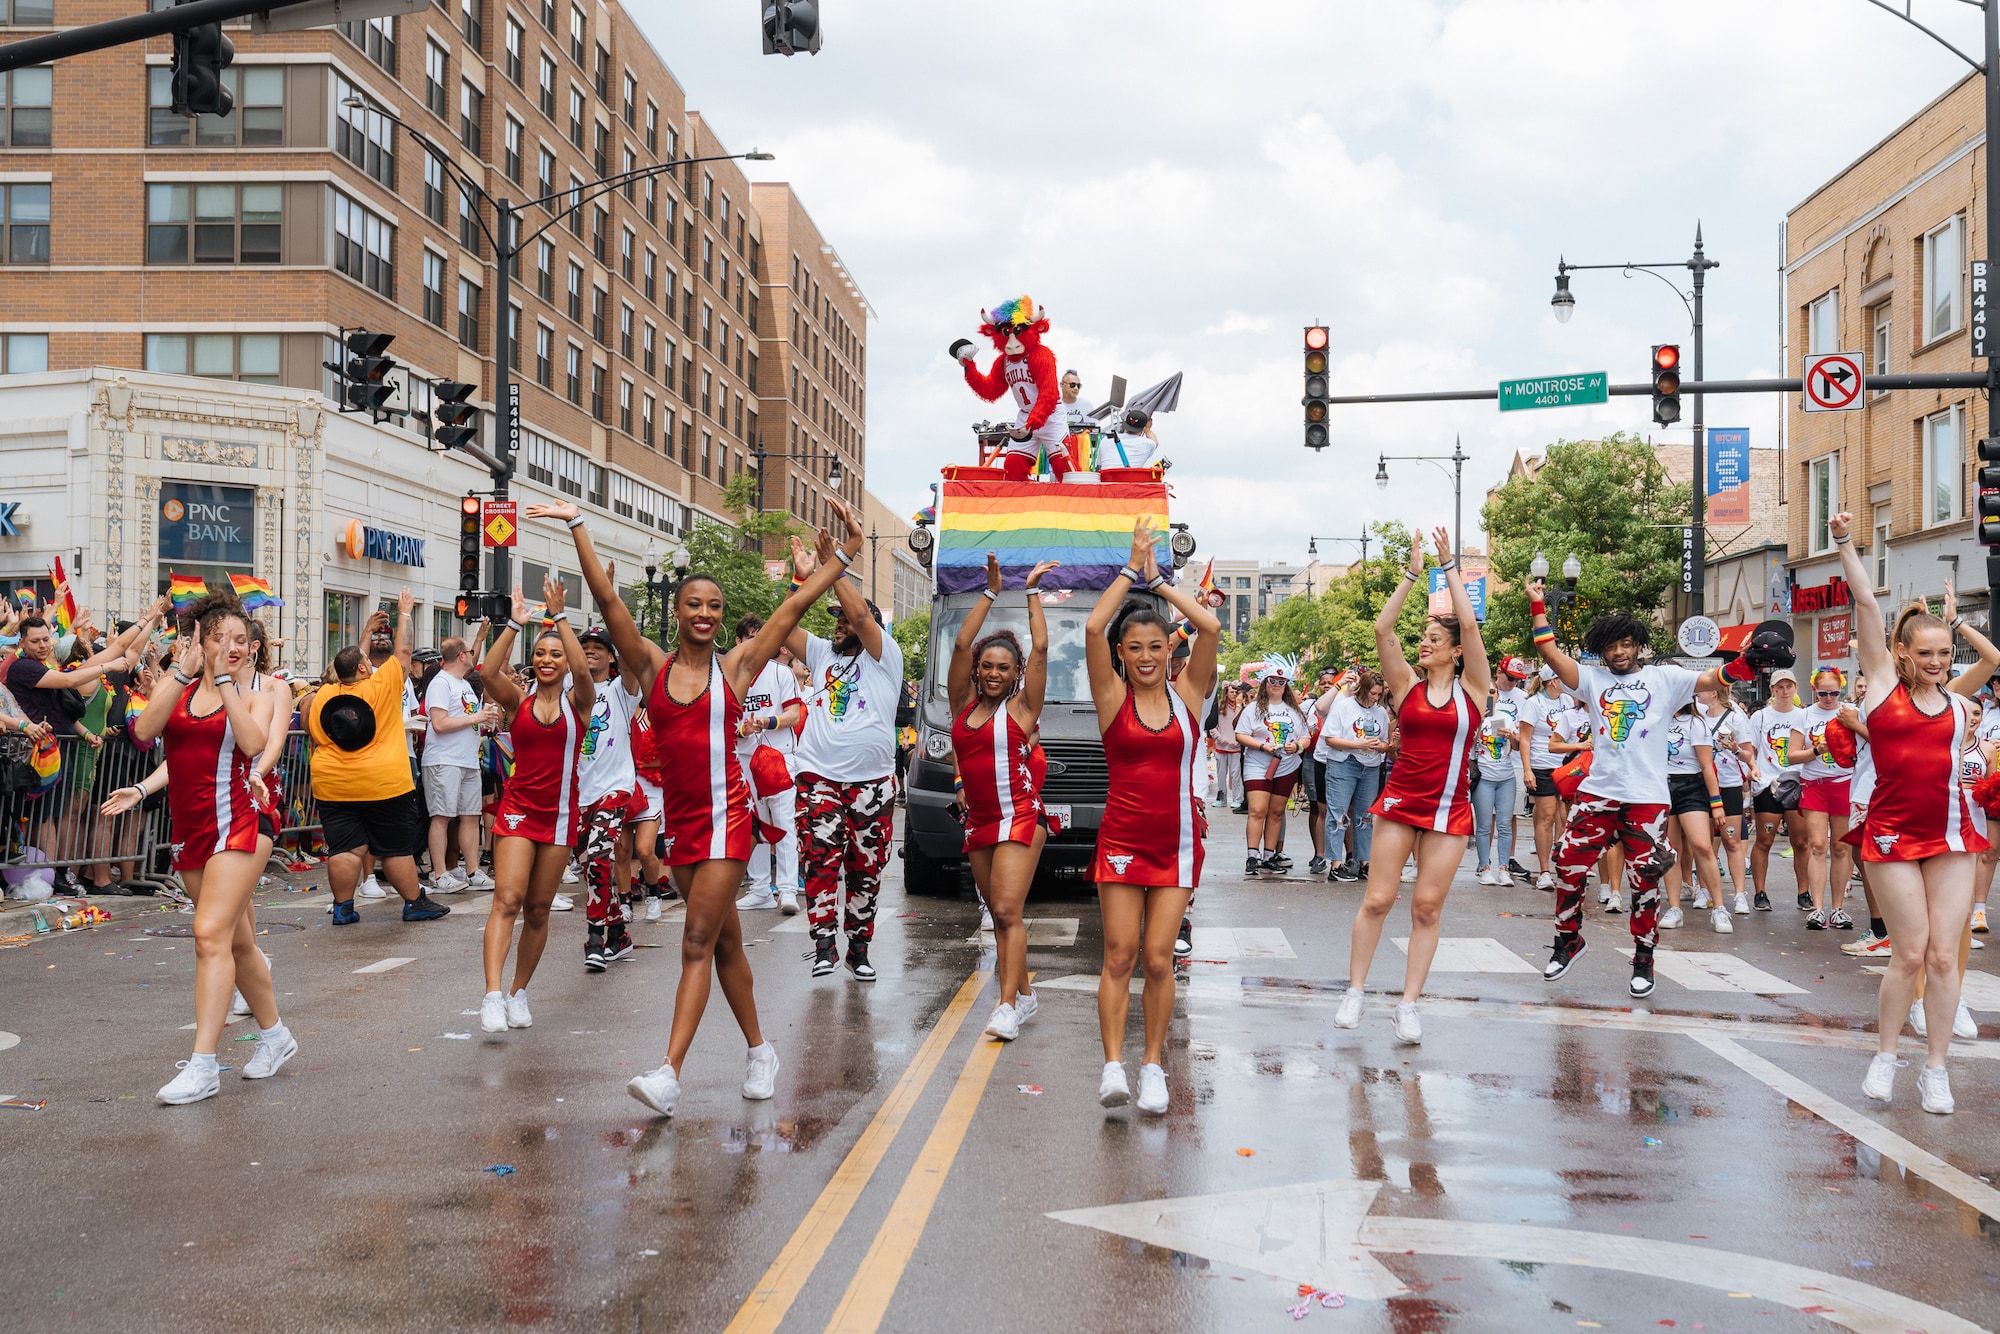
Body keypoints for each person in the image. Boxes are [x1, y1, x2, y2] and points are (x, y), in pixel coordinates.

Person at [525, 498, 850, 1119]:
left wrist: (842, 560)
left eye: (715, 607)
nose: (705, 613)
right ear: (676, 612)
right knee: (725, 946)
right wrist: (575, 525)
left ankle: (669, 1073)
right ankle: (760, 1051)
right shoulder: (649, 665)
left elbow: (791, 610)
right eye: (694, 604)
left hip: (730, 820)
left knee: (696, 940)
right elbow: (608, 600)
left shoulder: (738, 668)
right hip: (683, 828)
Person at [1827, 515, 1999, 1113]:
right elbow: (1866, 606)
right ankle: (1885, 1055)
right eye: (1924, 653)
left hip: (1953, 836)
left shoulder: (1958, 701)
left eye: (1942, 653)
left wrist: (1957, 623)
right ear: (1902, 653)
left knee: (1946, 955)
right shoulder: (1879, 689)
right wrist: (1849, 543)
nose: (1935, 661)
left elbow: (1993, 659)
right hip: (1892, 832)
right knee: (1909, 951)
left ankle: (1937, 1069)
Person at [1525, 574, 1754, 998]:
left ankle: (1644, 958)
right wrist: (1539, 605)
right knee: (1568, 865)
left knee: (1643, 882)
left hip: (1647, 797)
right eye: (1611, 646)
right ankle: (1568, 940)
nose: (1618, 652)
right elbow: (1548, 651)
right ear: (1603, 650)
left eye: (1625, 644)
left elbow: (1715, 680)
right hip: (1599, 792)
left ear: (1637, 646)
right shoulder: (1591, 680)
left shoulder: (1664, 679)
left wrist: (1748, 662)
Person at [128, 592, 290, 1104]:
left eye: (241, 640)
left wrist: (223, 680)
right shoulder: (177, 688)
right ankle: (276, 1037)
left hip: (244, 822)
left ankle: (203, 1065)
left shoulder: (259, 693)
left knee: (207, 933)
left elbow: (251, 745)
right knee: (236, 943)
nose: (232, 648)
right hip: (191, 830)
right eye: (220, 638)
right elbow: (143, 733)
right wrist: (182, 673)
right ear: (199, 638)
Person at [1084, 518, 1220, 1115]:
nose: (1144, 657)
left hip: (1178, 842)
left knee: (1161, 958)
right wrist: (1127, 570)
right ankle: (1113, 1064)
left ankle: (1154, 1066)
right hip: (1121, 838)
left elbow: (1211, 624)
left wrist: (1159, 581)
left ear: (1171, 651)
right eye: (1134, 647)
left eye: (1156, 647)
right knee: (1119, 955)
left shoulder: (1189, 696)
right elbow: (1093, 624)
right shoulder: (1111, 698)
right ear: (1121, 653)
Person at [1334, 528, 1489, 1042]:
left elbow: (1468, 621)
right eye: (1422, 638)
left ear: (1457, 652)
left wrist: (1449, 567)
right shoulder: (1405, 687)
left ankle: (1408, 1004)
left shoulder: (1475, 689)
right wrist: (1411, 572)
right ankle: (1355, 991)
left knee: (1426, 906)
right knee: (1378, 899)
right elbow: (1383, 630)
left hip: (1450, 810)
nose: (1424, 643)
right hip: (1401, 802)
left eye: (1434, 640)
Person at [783, 520, 906, 981]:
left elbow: (862, 617)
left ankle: (859, 948)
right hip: (818, 777)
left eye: (844, 619)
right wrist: (801, 580)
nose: (838, 625)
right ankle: (822, 946)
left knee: (866, 869)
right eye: (834, 619)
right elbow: (784, 625)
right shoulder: (820, 654)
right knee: (820, 860)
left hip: (872, 784)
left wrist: (835, 566)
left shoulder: (883, 654)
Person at [946, 553, 1060, 1040]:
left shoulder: (1022, 710)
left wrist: (1031, 591)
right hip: (979, 822)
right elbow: (960, 641)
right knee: (998, 913)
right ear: (978, 670)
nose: (994, 673)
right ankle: (1028, 995)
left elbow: (1040, 648)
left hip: (1019, 816)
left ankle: (1007, 1004)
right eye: (988, 666)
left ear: (1015, 675)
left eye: (1004, 668)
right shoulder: (961, 705)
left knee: (1009, 911)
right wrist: (990, 592)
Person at [473, 580, 593, 1033]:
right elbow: (487, 673)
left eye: (555, 655)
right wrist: (515, 623)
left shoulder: (579, 702)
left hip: (561, 816)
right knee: (507, 899)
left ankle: (518, 992)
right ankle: (491, 994)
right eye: (540, 654)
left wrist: (561, 619)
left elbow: (584, 674)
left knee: (539, 910)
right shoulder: (517, 700)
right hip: (519, 811)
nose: (546, 660)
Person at [304, 588, 451, 926]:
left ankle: (343, 908)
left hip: (333, 784)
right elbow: (403, 652)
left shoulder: (323, 695)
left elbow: (339, 666)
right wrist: (405, 613)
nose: (371, 663)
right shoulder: (381, 684)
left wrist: (366, 636)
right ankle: (415, 903)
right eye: (366, 661)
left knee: (345, 848)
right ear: (362, 667)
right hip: (384, 783)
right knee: (396, 848)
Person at [732, 615, 805, 915]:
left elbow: (795, 714)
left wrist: (768, 722)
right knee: (754, 826)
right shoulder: (732, 675)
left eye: (760, 637)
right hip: (745, 760)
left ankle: (787, 889)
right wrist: (742, 730)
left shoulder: (780, 673)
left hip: (778, 758)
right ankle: (760, 888)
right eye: (749, 637)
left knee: (784, 823)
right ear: (738, 642)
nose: (755, 643)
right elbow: (726, 721)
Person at [423, 636, 501, 893]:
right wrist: (476, 716)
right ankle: (439, 873)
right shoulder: (441, 683)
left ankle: (472, 870)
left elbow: (468, 719)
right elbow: (440, 723)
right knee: (442, 816)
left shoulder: (464, 684)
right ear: (461, 656)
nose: (473, 654)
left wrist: (486, 718)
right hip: (444, 759)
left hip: (467, 759)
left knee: (470, 816)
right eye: (470, 650)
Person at [1657, 701, 1729, 934]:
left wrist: (1716, 803)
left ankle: (1719, 907)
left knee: (1701, 845)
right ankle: (1675, 907)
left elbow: (1706, 766)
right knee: (1671, 851)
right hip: (1661, 786)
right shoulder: (1655, 717)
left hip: (1691, 786)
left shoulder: (1695, 723)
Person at [1318, 671, 1392, 883]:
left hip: (1370, 766)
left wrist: (1381, 746)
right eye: (1372, 693)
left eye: (1379, 695)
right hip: (1343, 764)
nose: (1375, 698)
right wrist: (1358, 745)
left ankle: (1364, 862)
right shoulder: (1344, 706)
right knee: (1338, 814)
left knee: (1365, 817)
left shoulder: (1380, 713)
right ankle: (1336, 864)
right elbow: (1330, 739)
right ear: (1363, 689)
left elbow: (1386, 744)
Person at [1797, 667, 1857, 929]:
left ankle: (1838, 909)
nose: (1830, 698)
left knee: (1842, 848)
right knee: (1818, 845)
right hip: (1815, 785)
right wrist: (1816, 749)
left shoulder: (1850, 712)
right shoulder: (1804, 715)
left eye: (1835, 692)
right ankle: (1817, 908)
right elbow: (1792, 756)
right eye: (1824, 693)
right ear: (1814, 690)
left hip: (1844, 784)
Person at [1747, 667, 1809, 913]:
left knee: (1801, 842)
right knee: (1765, 839)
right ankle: (1760, 892)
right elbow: (1750, 749)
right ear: (1772, 690)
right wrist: (1752, 768)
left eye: (1789, 686)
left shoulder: (1803, 716)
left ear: (1795, 688)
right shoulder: (1760, 717)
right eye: (1779, 687)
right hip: (1768, 785)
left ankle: (1803, 892)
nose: (1784, 691)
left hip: (1797, 782)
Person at [1518, 667, 1586, 891]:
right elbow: (1525, 739)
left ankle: (1564, 861)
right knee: (1546, 816)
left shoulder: (1567, 700)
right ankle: (1544, 870)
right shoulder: (1534, 703)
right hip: (1542, 764)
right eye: (1561, 677)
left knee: (1567, 815)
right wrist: (1527, 770)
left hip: (1568, 765)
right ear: (1553, 681)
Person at [1236, 659, 1306, 876]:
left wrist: (1297, 746)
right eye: (1272, 680)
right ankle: (1252, 855)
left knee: (1276, 812)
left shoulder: (1294, 710)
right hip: (1258, 764)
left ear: (1286, 684)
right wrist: (1262, 746)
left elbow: (1305, 736)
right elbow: (1241, 735)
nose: (1276, 684)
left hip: (1286, 765)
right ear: (1265, 683)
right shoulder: (1253, 709)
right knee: (1257, 810)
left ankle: (1268, 856)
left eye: (1281, 681)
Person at [1698, 681, 1755, 916]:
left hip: (1729, 784)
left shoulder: (1736, 717)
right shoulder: (1697, 717)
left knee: (1731, 841)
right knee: (1704, 844)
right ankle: (1704, 890)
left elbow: (1749, 754)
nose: (1696, 693)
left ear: (1713, 692)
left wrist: (1734, 749)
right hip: (1701, 784)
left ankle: (1740, 894)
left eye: (1701, 690)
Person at [1471, 667, 1523, 886]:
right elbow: (1466, 745)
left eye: (1493, 693)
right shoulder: (1474, 716)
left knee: (1504, 824)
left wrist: (1512, 736)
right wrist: (1477, 726)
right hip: (1484, 776)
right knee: (1483, 826)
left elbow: (1519, 747)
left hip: (1506, 776)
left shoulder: (1506, 718)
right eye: (1487, 693)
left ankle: (1503, 868)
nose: (1491, 696)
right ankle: (1484, 867)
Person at [1211, 684, 1246, 811]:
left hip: (1236, 747)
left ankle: (1237, 799)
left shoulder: (1242, 708)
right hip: (1221, 746)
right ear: (1226, 693)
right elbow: (1212, 726)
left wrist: (1239, 740)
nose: (1234, 694)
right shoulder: (1219, 708)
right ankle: (1221, 798)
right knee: (1221, 775)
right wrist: (1221, 739)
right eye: (1231, 692)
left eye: (1236, 692)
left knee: (1236, 774)